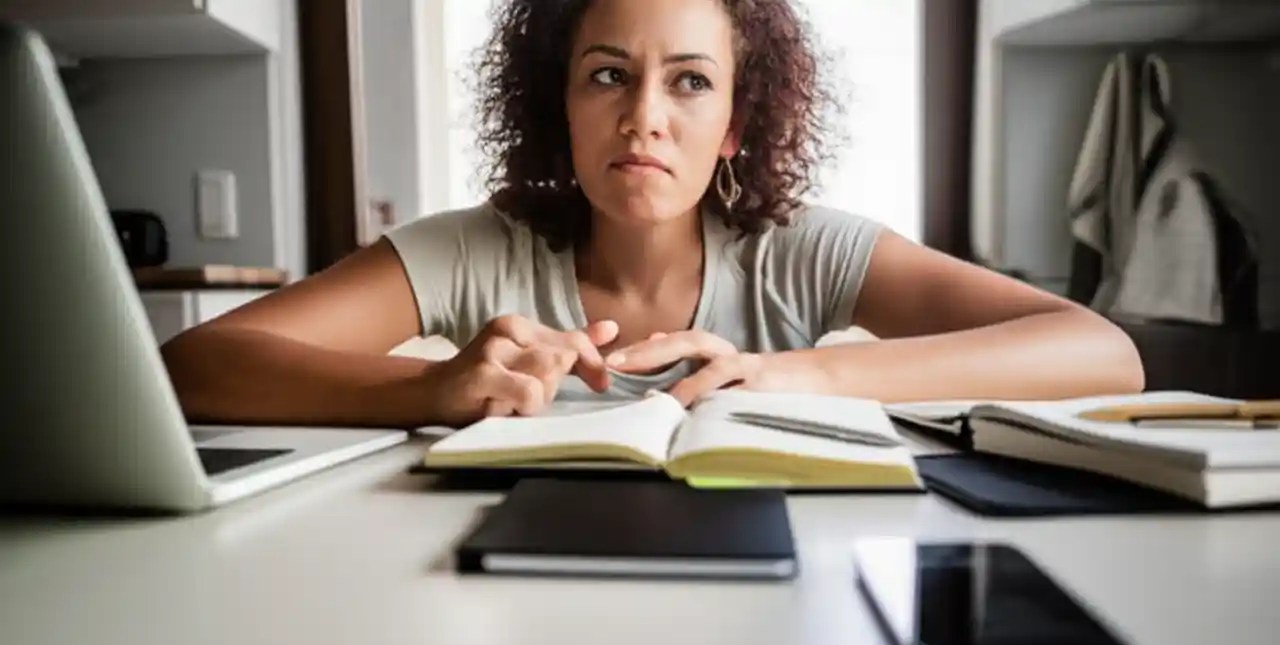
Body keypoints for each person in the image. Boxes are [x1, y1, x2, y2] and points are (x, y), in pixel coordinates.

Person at [161, 0, 1144, 429]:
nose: (642, 119)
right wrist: (425, 392)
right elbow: (191, 367)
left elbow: (1100, 351)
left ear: (732, 125)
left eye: (688, 82)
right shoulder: (470, 248)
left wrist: (789, 373)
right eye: (606, 77)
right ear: (561, 103)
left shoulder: (797, 250)